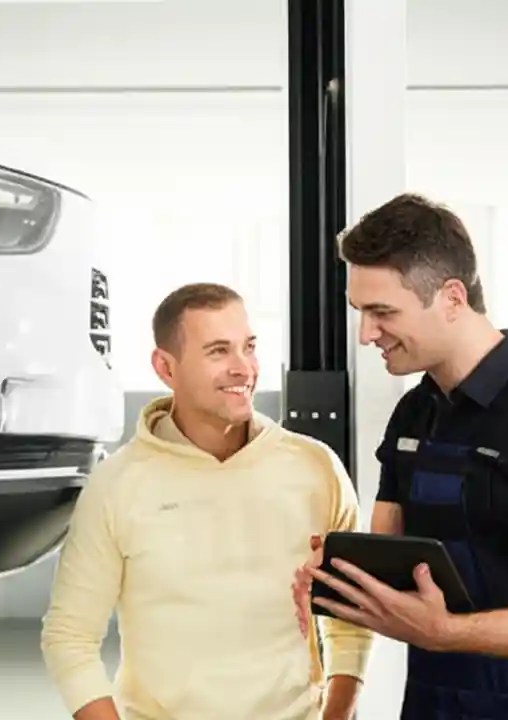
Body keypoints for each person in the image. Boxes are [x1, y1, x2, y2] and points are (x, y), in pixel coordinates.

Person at [291, 193, 508, 719]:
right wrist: (334, 578)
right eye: (361, 312)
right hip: (435, 702)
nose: (366, 334)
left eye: (383, 312)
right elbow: (389, 554)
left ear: (452, 298)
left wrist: (449, 632)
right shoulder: (415, 412)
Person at [41, 282, 373, 720]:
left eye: (248, 347)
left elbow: (351, 616)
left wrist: (337, 714)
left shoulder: (316, 468)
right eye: (219, 351)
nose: (244, 368)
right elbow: (69, 637)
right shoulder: (117, 484)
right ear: (165, 367)